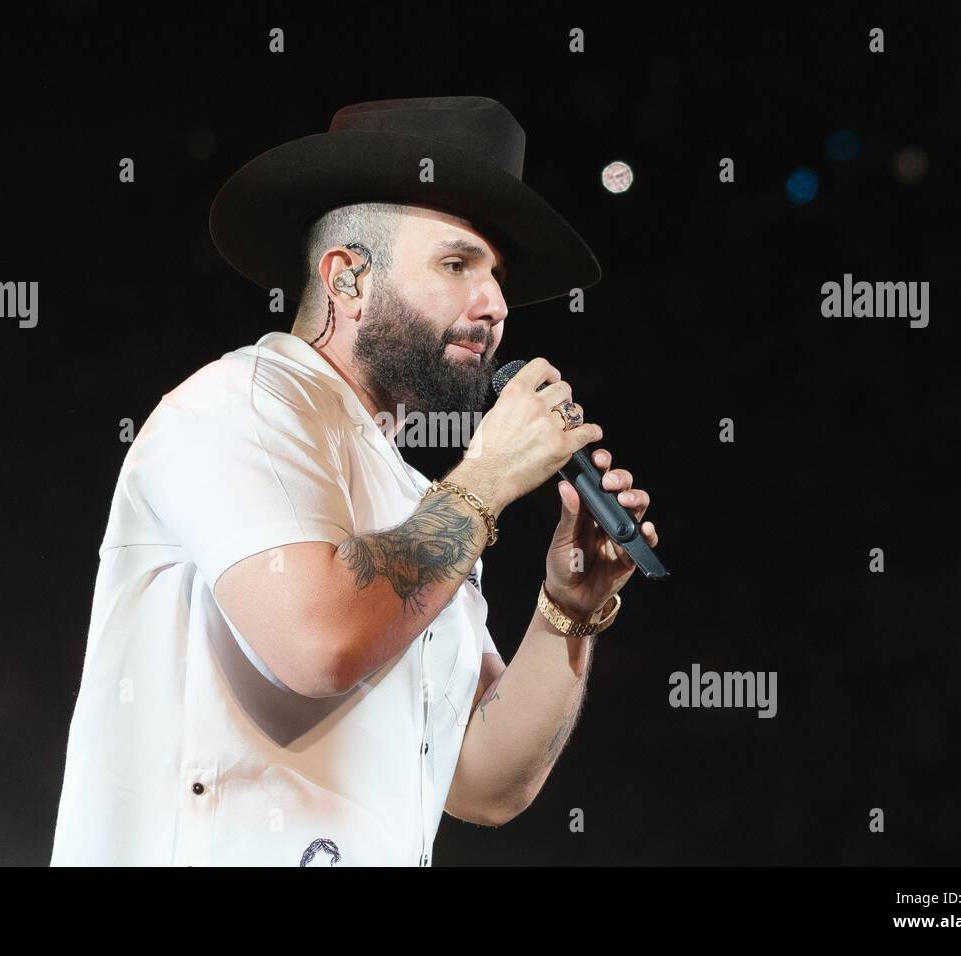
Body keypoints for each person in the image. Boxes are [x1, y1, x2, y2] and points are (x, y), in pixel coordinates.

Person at [50, 96, 659, 866]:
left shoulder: (421, 503)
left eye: (498, 276)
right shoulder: (238, 403)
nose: (496, 305)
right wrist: (489, 480)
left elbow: (481, 780)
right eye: (456, 263)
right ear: (348, 278)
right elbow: (318, 641)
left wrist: (569, 611)